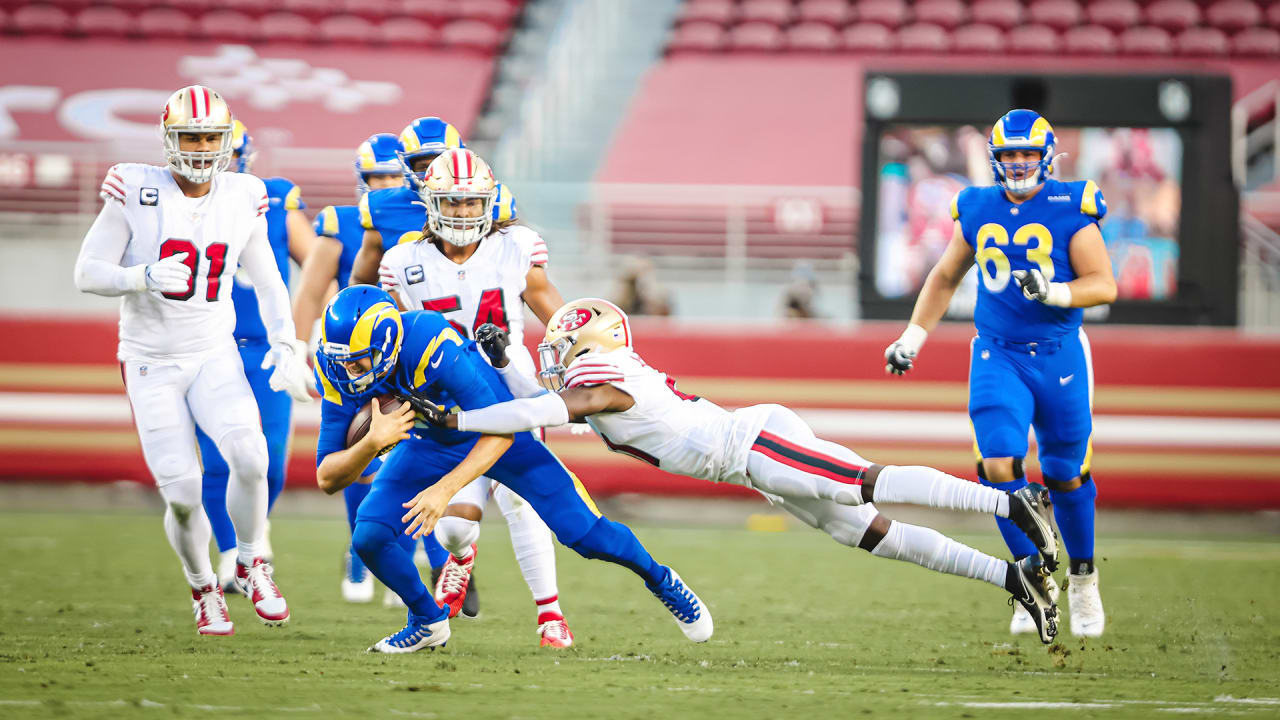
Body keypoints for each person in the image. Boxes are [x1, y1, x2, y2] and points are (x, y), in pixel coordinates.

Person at [424, 298, 1063, 644]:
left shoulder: (602, 378)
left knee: (865, 480)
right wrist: (503, 358)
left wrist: (457, 422)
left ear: (590, 345)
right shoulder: (609, 372)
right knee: (863, 531)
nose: (556, 360)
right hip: (747, 459)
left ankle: (1013, 505)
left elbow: (548, 405)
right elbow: (538, 396)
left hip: (752, 444)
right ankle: (1016, 579)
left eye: (562, 349)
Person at [311, 286, 712, 653]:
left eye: (358, 360)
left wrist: (444, 491)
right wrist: (370, 443)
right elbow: (328, 477)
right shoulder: (337, 369)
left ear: (387, 342)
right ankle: (427, 621)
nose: (349, 371)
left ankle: (660, 578)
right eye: (341, 360)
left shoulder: (430, 341)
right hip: (432, 441)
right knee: (370, 536)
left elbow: (497, 431)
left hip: (500, 431)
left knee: (585, 535)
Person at [73, 85, 314, 635]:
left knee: (251, 456)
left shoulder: (245, 194)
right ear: (168, 140)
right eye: (191, 137)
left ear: (228, 140)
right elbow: (87, 272)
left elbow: (271, 280)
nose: (203, 148)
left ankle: (253, 561)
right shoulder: (135, 187)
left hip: (213, 352)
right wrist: (141, 276)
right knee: (182, 496)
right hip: (151, 360)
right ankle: (204, 586)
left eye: (211, 137)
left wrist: (286, 343)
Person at [883, 109, 1116, 638]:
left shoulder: (1069, 204)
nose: (1017, 164)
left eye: (1026, 154)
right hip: (998, 353)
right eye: (1008, 154)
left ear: (1045, 157)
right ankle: (1033, 578)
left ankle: (1082, 577)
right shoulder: (978, 205)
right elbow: (944, 277)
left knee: (1064, 474)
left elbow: (1104, 284)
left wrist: (1056, 293)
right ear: (994, 158)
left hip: (1058, 353)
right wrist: (913, 337)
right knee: (997, 466)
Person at [376, 147, 574, 646]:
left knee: (523, 502)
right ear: (430, 201)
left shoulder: (515, 246)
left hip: (511, 388)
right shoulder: (403, 262)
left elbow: (556, 313)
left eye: (471, 203)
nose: (463, 212)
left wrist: (578, 355)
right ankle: (462, 558)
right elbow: (397, 336)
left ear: (488, 202)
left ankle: (550, 614)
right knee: (455, 530)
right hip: (449, 403)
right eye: (453, 202)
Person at [290, 132, 452, 606]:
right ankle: (365, 552)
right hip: (353, 353)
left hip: (412, 348)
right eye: (374, 176)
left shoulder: (451, 209)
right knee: (360, 447)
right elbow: (313, 289)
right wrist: (297, 347)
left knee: (419, 453)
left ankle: (429, 554)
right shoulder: (346, 220)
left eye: (388, 174)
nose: (382, 183)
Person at [193, 120, 318, 593]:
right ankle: (231, 555)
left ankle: (252, 538)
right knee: (218, 460)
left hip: (266, 351)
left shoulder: (276, 201)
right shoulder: (180, 206)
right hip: (208, 347)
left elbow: (319, 267)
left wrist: (301, 337)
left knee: (271, 462)